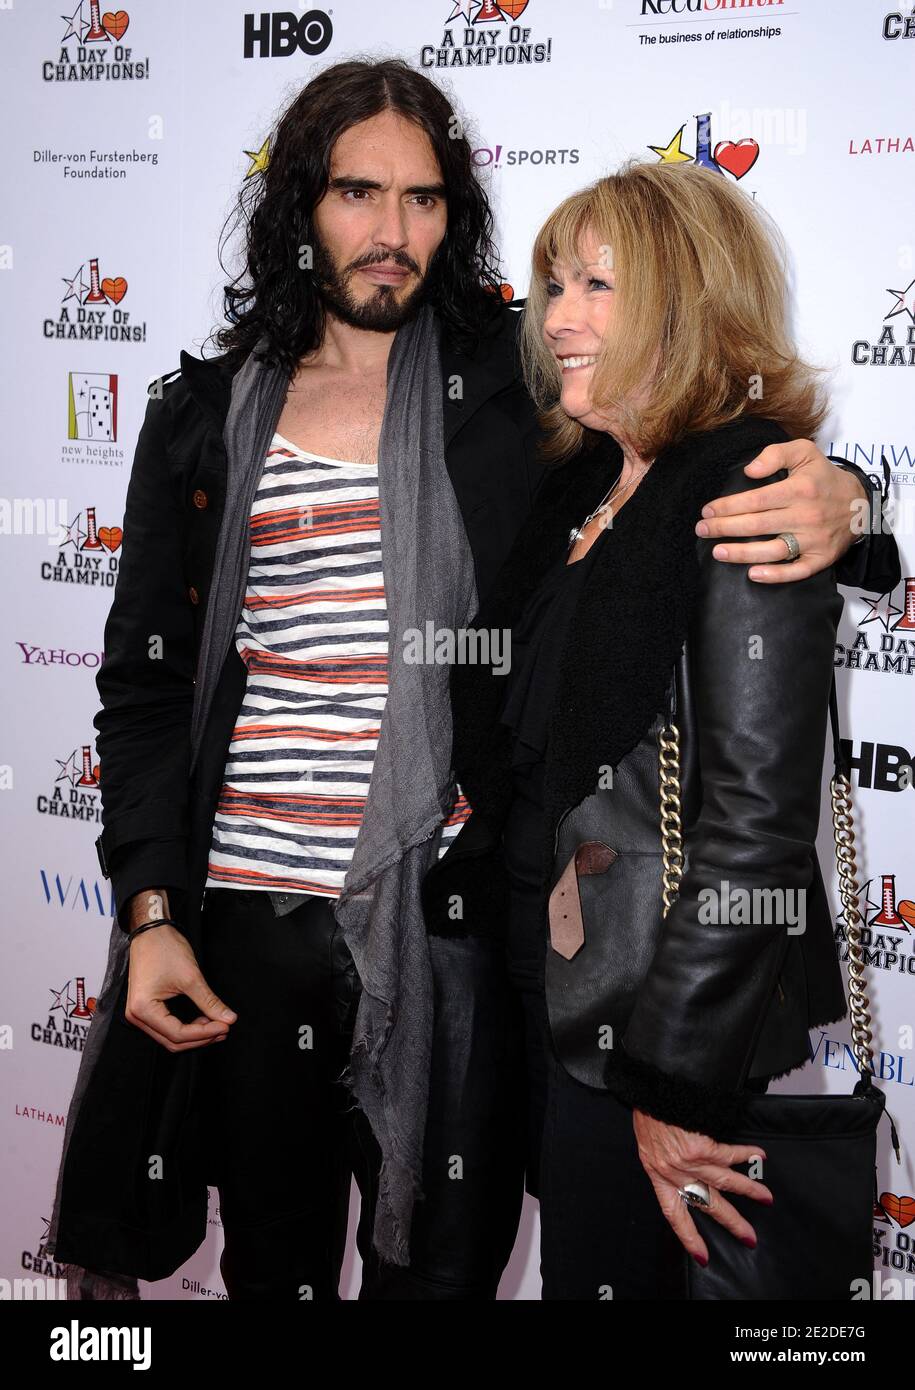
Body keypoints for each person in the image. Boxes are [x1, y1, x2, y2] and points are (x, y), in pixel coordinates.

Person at [45, 59, 896, 1303]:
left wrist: (849, 501)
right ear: (297, 206)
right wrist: (153, 911)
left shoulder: (513, 385)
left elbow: (695, 427)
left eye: (425, 199)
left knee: (442, 1268)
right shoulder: (197, 416)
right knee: (270, 1260)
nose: (393, 233)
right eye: (356, 193)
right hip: (248, 921)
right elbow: (146, 689)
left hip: (449, 933)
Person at [430, 159, 902, 1300]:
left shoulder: (746, 490)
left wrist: (670, 1086)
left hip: (648, 1027)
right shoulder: (582, 484)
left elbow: (754, 824)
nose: (558, 316)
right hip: (546, 996)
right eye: (554, 283)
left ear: (685, 304)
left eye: (600, 284)